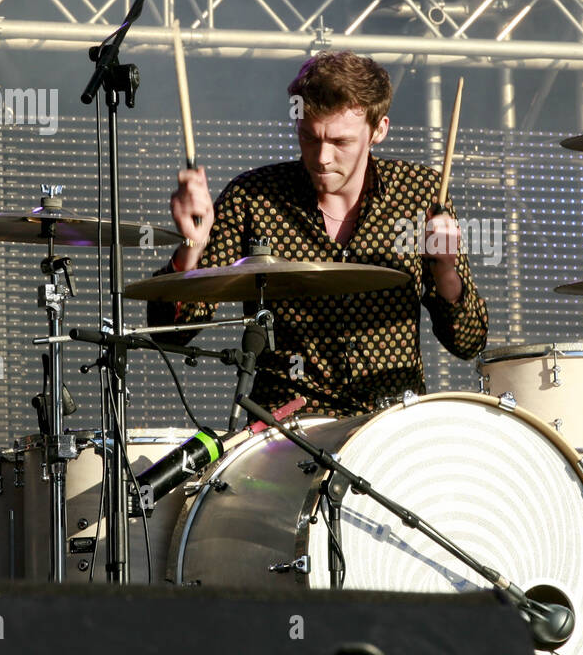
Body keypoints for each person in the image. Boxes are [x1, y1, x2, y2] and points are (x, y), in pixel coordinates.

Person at [148, 51, 488, 418]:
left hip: (388, 425)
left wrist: (446, 271)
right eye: (310, 138)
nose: (322, 157)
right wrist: (191, 245)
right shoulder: (254, 197)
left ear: (379, 130)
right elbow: (172, 333)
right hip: (285, 428)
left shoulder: (421, 194)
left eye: (340, 143)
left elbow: (468, 343)